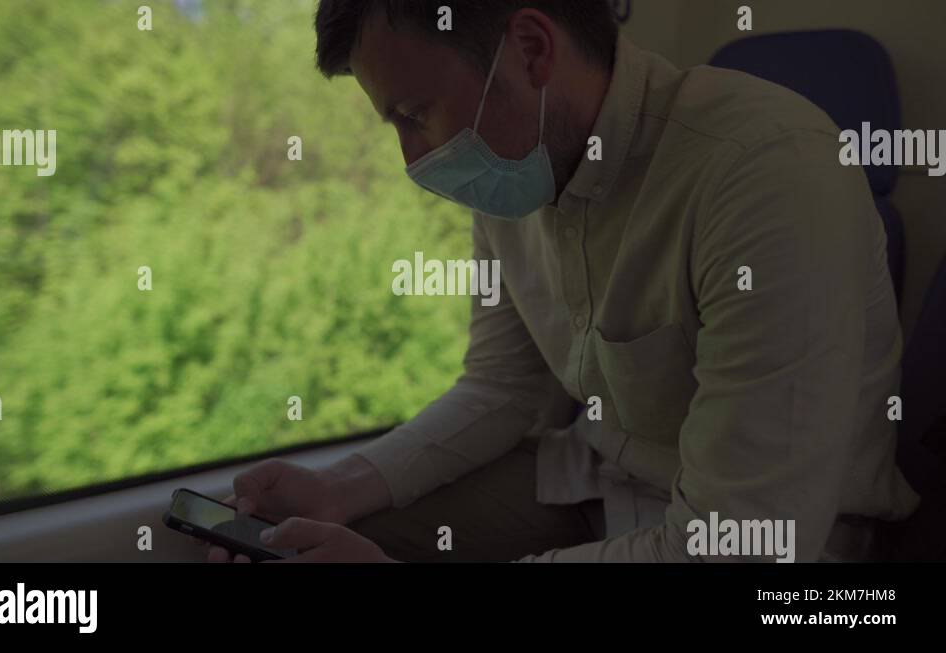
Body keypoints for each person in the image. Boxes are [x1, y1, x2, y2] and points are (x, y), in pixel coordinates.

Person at [207, 0, 919, 563]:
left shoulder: (763, 170)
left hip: (776, 546)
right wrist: (341, 485)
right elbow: (504, 388)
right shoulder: (513, 172)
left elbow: (742, 544)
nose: (414, 160)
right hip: (593, 478)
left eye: (415, 114)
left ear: (532, 50)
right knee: (318, 537)